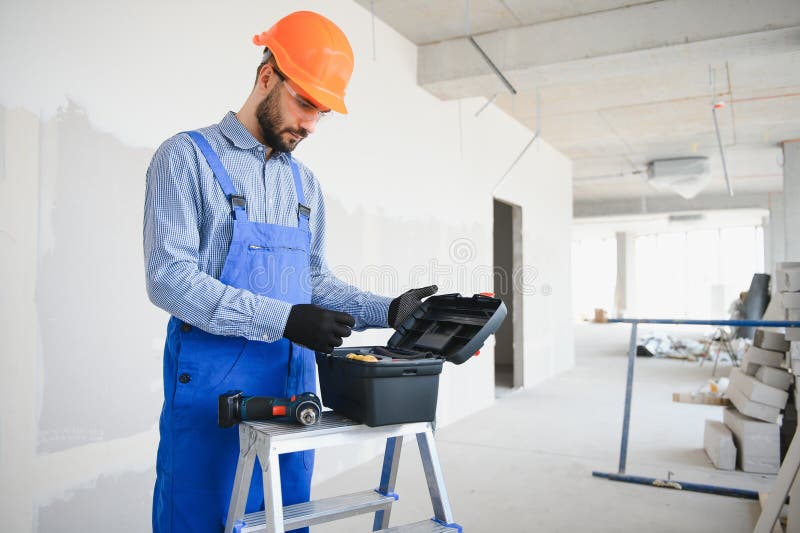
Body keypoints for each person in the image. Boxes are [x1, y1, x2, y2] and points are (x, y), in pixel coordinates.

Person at [143, 11, 436, 532]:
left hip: (293, 396)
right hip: (214, 400)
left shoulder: (305, 187)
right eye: (304, 102)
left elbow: (315, 281)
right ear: (266, 77)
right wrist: (281, 319)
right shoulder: (185, 157)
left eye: (322, 112)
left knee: (280, 522)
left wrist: (388, 310)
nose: (310, 125)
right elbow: (170, 278)